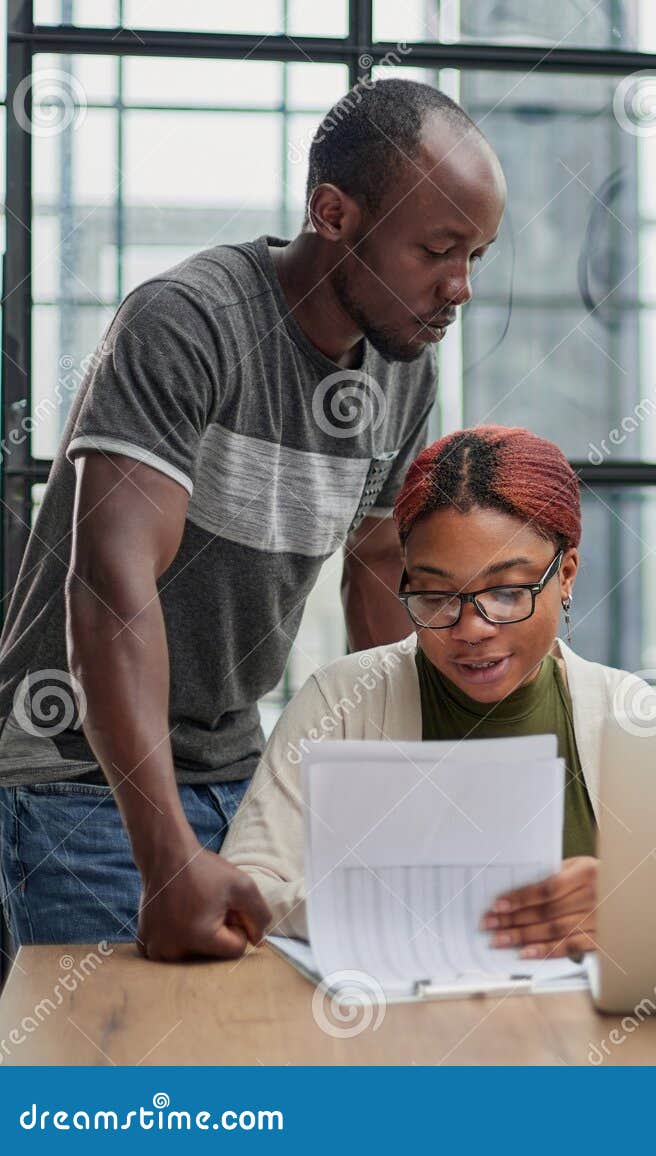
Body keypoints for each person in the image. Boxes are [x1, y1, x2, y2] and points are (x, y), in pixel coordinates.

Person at [0, 78, 505, 968]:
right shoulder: (188, 324)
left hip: (241, 771)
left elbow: (380, 564)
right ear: (333, 212)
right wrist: (163, 857)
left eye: (477, 255)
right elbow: (111, 588)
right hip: (81, 782)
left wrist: (390, 799)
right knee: (126, 1073)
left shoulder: (401, 364)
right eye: (437, 250)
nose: (458, 287)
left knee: (265, 1047)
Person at [224, 426, 641, 960]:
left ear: (567, 577)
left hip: (581, 1035)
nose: (471, 629)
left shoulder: (630, 713)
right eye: (436, 595)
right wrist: (409, 903)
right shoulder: (342, 700)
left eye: (508, 592)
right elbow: (245, 888)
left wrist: (631, 904)